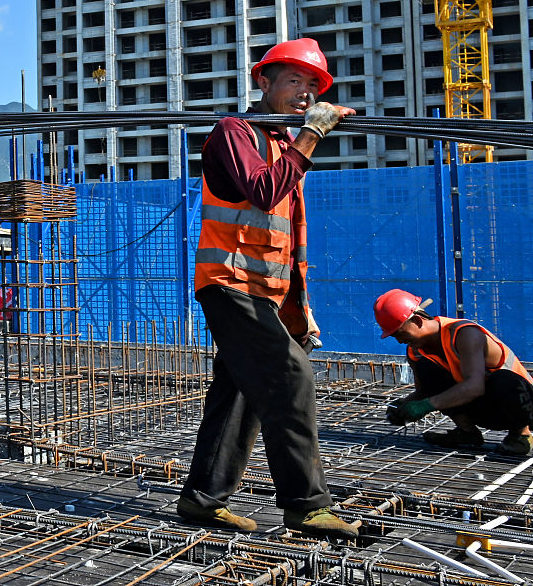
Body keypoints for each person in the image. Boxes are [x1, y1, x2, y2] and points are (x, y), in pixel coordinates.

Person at [177, 38, 360, 541]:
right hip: (229, 283)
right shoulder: (235, 132)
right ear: (263, 81)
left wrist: (301, 311)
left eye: (314, 86)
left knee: (238, 391)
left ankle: (202, 498)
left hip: (269, 294)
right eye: (294, 81)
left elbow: (288, 240)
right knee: (291, 377)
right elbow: (261, 191)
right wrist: (311, 136)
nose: (305, 94)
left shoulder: (282, 146)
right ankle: (307, 504)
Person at [376, 289, 533, 456]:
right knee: (427, 370)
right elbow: (424, 391)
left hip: (522, 406)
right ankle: (467, 433)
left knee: (503, 380)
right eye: (394, 336)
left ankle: (520, 435)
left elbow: (475, 387)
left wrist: (426, 406)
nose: (399, 340)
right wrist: (403, 406)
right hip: (484, 408)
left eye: (400, 333)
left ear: (417, 320)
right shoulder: (415, 352)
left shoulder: (464, 334)